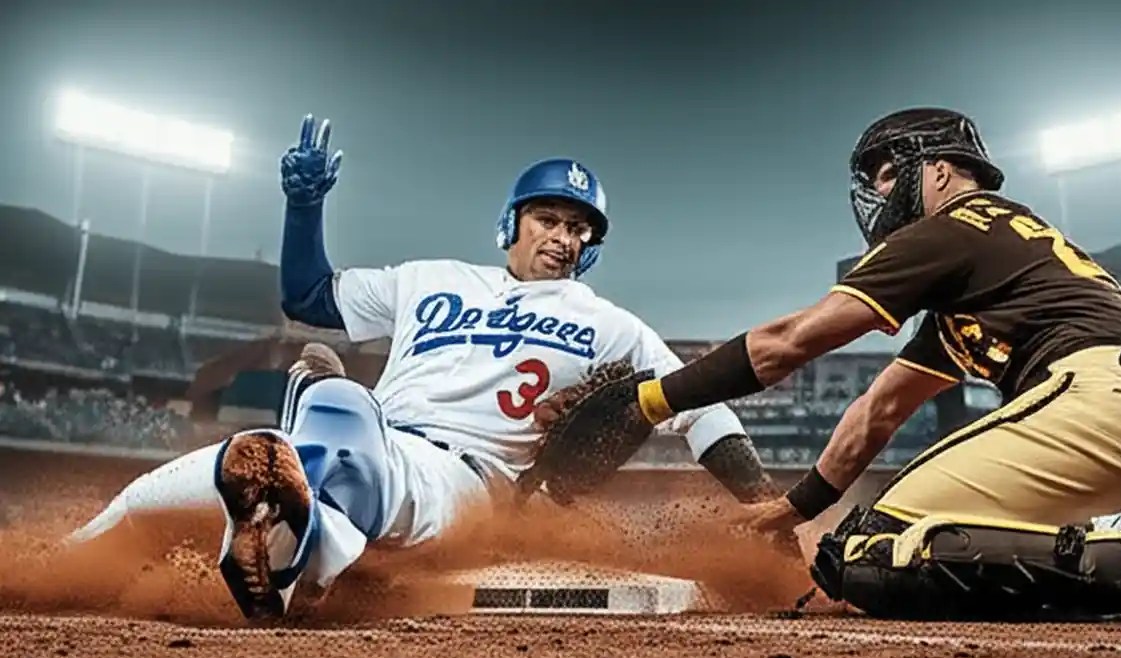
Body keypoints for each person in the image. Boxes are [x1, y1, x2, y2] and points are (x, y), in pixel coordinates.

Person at [66, 114, 777, 622]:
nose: (564, 239)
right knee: (149, 500)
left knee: (337, 413)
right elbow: (309, 295)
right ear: (512, 223)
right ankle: (92, 562)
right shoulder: (428, 277)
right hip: (371, 434)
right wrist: (303, 206)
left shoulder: (610, 323)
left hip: (466, 478)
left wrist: (762, 503)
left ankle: (291, 549)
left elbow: (703, 404)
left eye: (579, 229)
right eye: (549, 220)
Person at [614, 107, 1121, 626]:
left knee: (869, 552)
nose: (880, 194)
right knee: (950, 539)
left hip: (1097, 403)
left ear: (944, 172)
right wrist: (788, 512)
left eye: (891, 175)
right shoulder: (995, 260)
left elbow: (786, 343)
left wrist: (649, 400)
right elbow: (878, 411)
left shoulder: (952, 228)